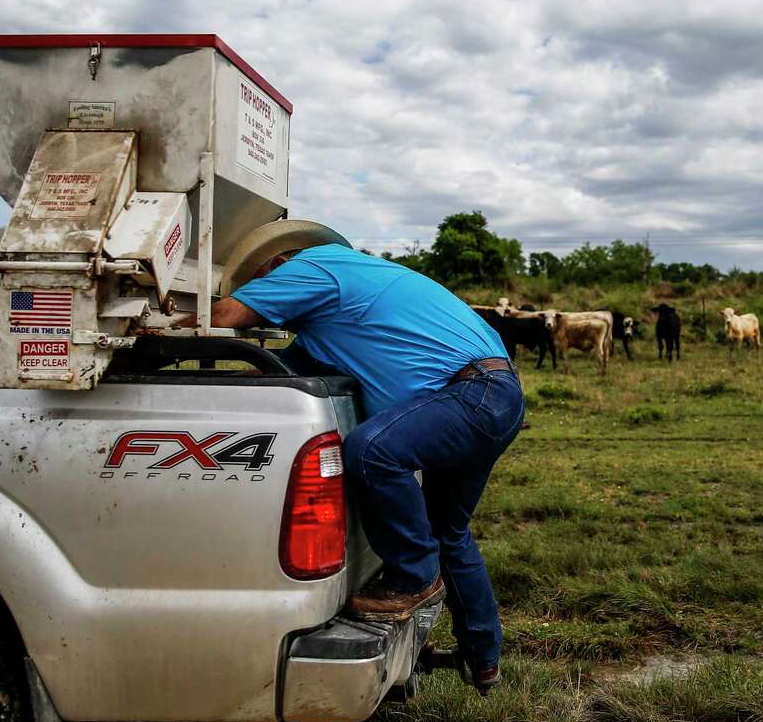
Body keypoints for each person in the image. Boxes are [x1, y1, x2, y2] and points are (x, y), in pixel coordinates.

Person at [178, 242, 524, 694]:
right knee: (448, 530)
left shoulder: (313, 266)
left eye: (261, 282)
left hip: (471, 395)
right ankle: (483, 658)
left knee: (371, 450)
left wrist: (145, 332)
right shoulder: (331, 318)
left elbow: (222, 318)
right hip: (495, 394)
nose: (264, 295)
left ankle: (415, 576)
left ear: (278, 265)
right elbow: (274, 373)